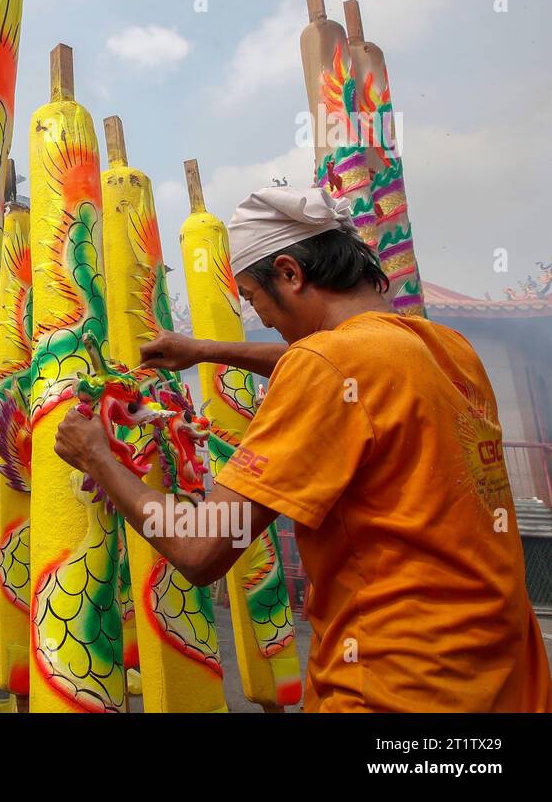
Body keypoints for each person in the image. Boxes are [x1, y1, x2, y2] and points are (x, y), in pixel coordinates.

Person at [54, 185, 552, 712]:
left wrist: (99, 459)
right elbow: (338, 366)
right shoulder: (445, 348)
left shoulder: (326, 366)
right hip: (505, 684)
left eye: (252, 298)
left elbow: (200, 551)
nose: (263, 317)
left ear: (291, 274)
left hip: (396, 691)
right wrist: (205, 350)